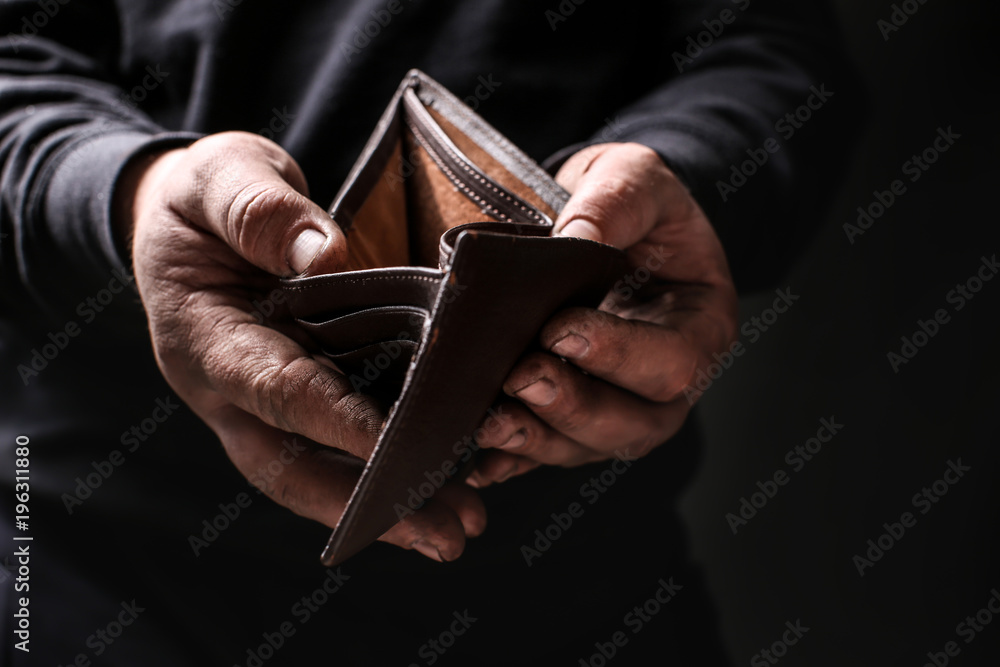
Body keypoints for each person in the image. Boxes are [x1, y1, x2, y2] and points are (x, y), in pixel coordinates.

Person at [0, 0, 861, 664]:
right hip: (92, 568)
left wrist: (679, 178)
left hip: (570, 591)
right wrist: (131, 194)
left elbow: (772, 46)